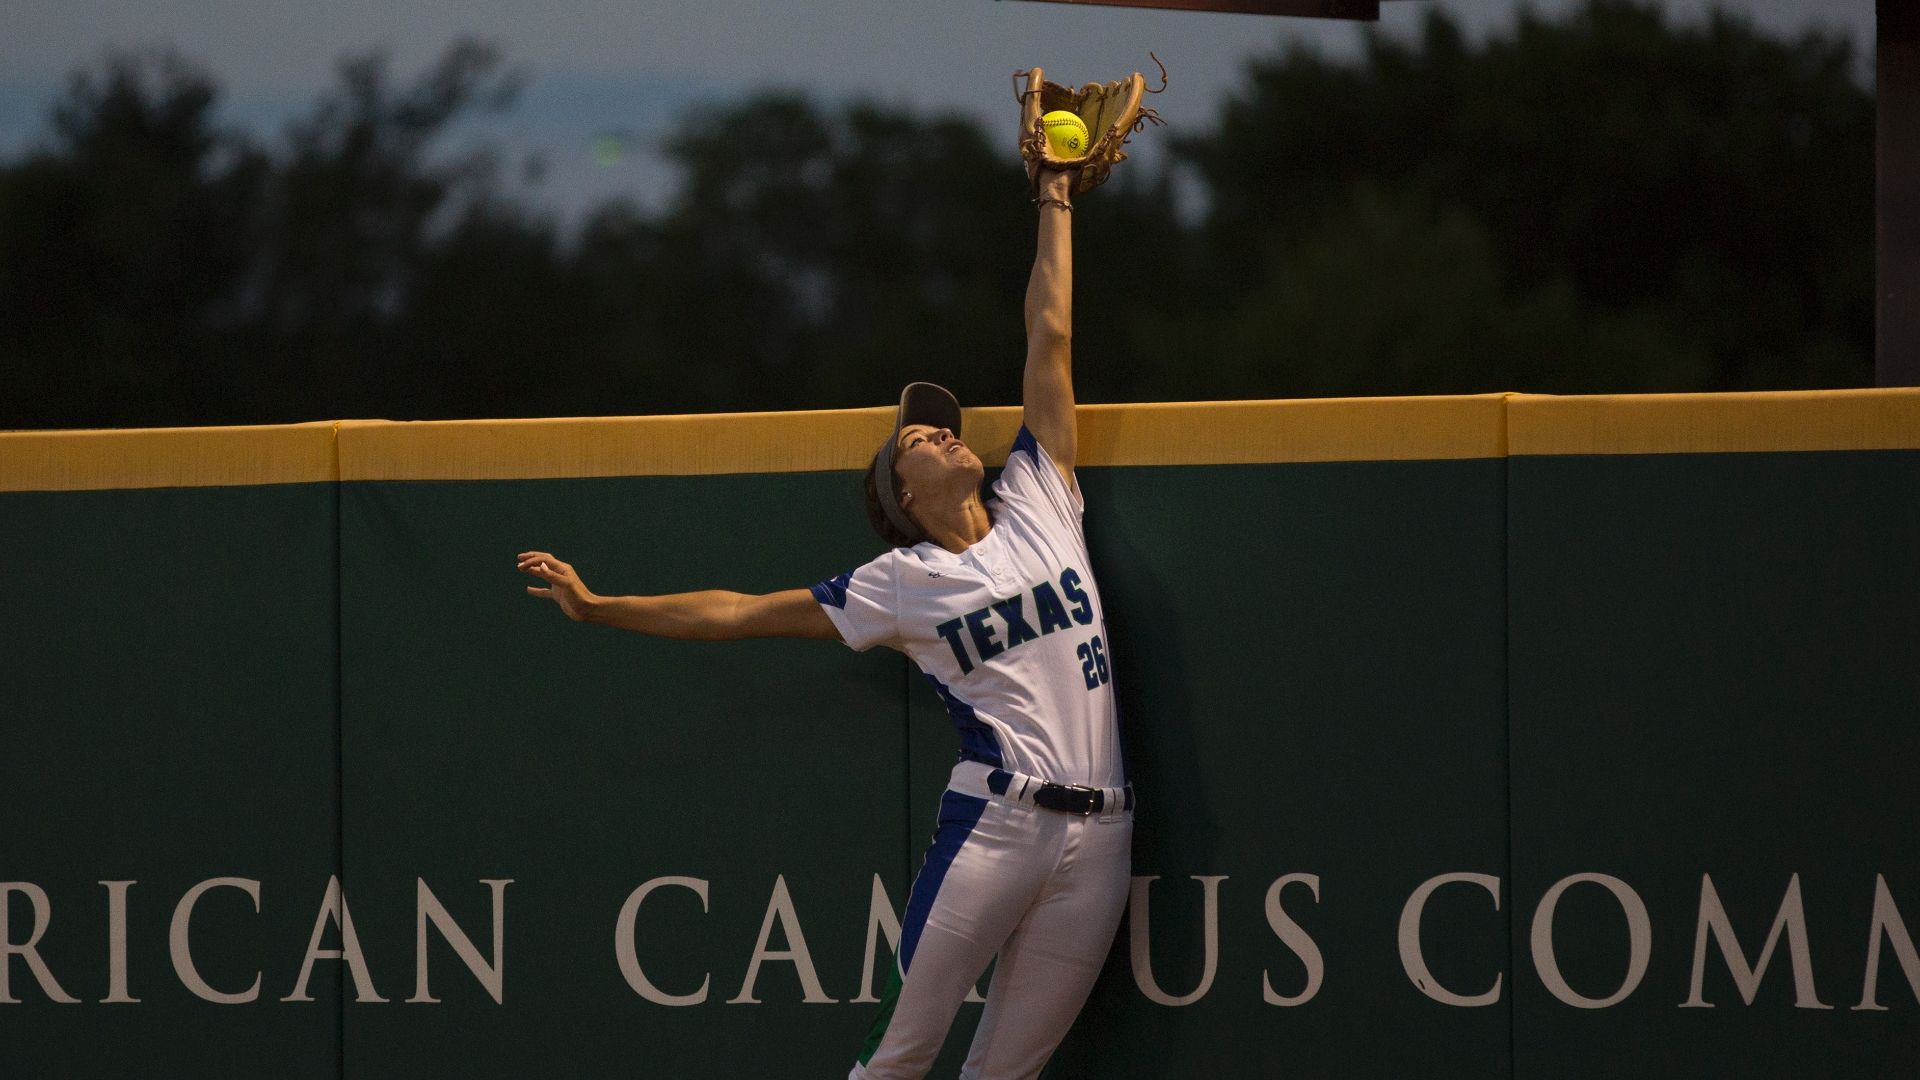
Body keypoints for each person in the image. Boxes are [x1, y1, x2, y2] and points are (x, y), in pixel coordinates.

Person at [516, 165, 1129, 1080]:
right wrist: (603, 607)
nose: (945, 436)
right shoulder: (901, 580)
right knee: (898, 1058)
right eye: (920, 442)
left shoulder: (1041, 493)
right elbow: (735, 613)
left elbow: (1051, 333)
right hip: (995, 826)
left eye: (943, 429)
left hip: (1104, 835)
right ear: (902, 495)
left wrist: (1055, 195)